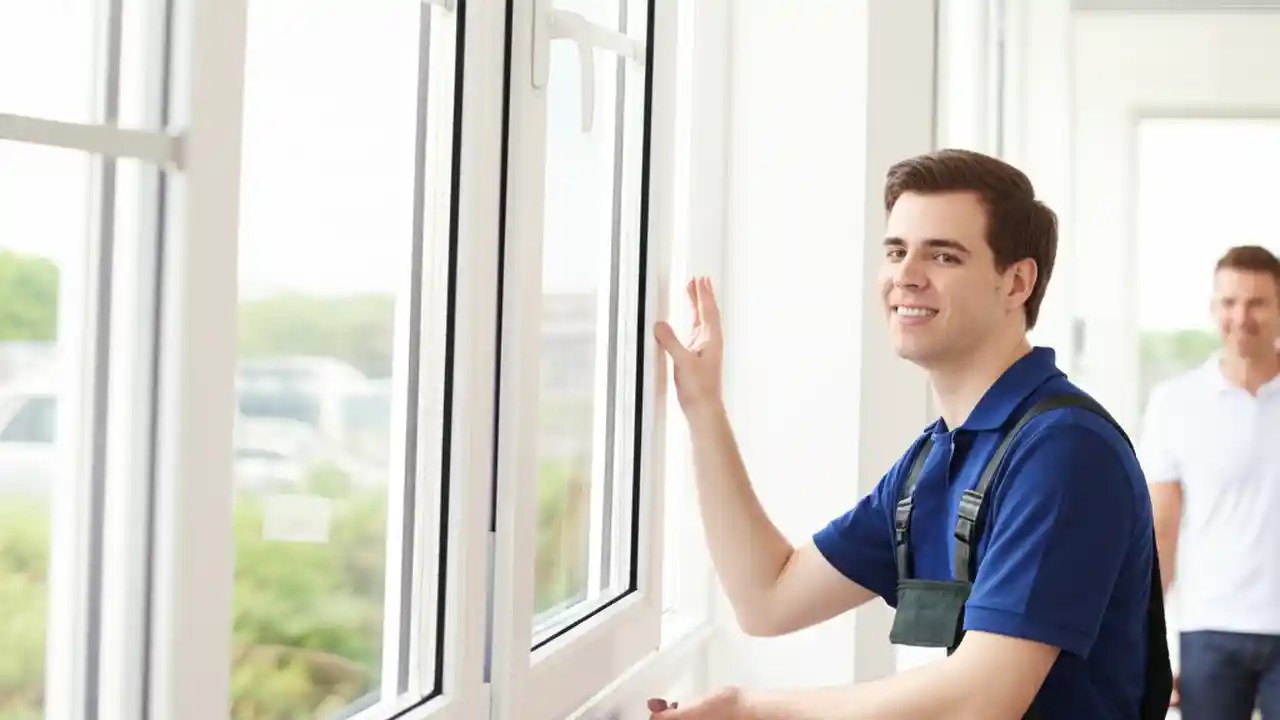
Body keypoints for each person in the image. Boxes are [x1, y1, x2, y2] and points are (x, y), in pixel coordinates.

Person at [646, 149, 1171, 719]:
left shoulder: (1064, 452)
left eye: (943, 255)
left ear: (1017, 282)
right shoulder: (937, 458)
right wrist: (703, 408)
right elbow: (767, 597)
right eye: (896, 251)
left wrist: (751, 711)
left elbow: (982, 700)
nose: (906, 276)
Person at [1141, 245, 1280, 719]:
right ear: (1212, 307)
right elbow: (1162, 530)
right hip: (1209, 628)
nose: (1241, 317)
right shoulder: (1174, 403)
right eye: (1229, 302)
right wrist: (1147, 642)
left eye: (1257, 303)